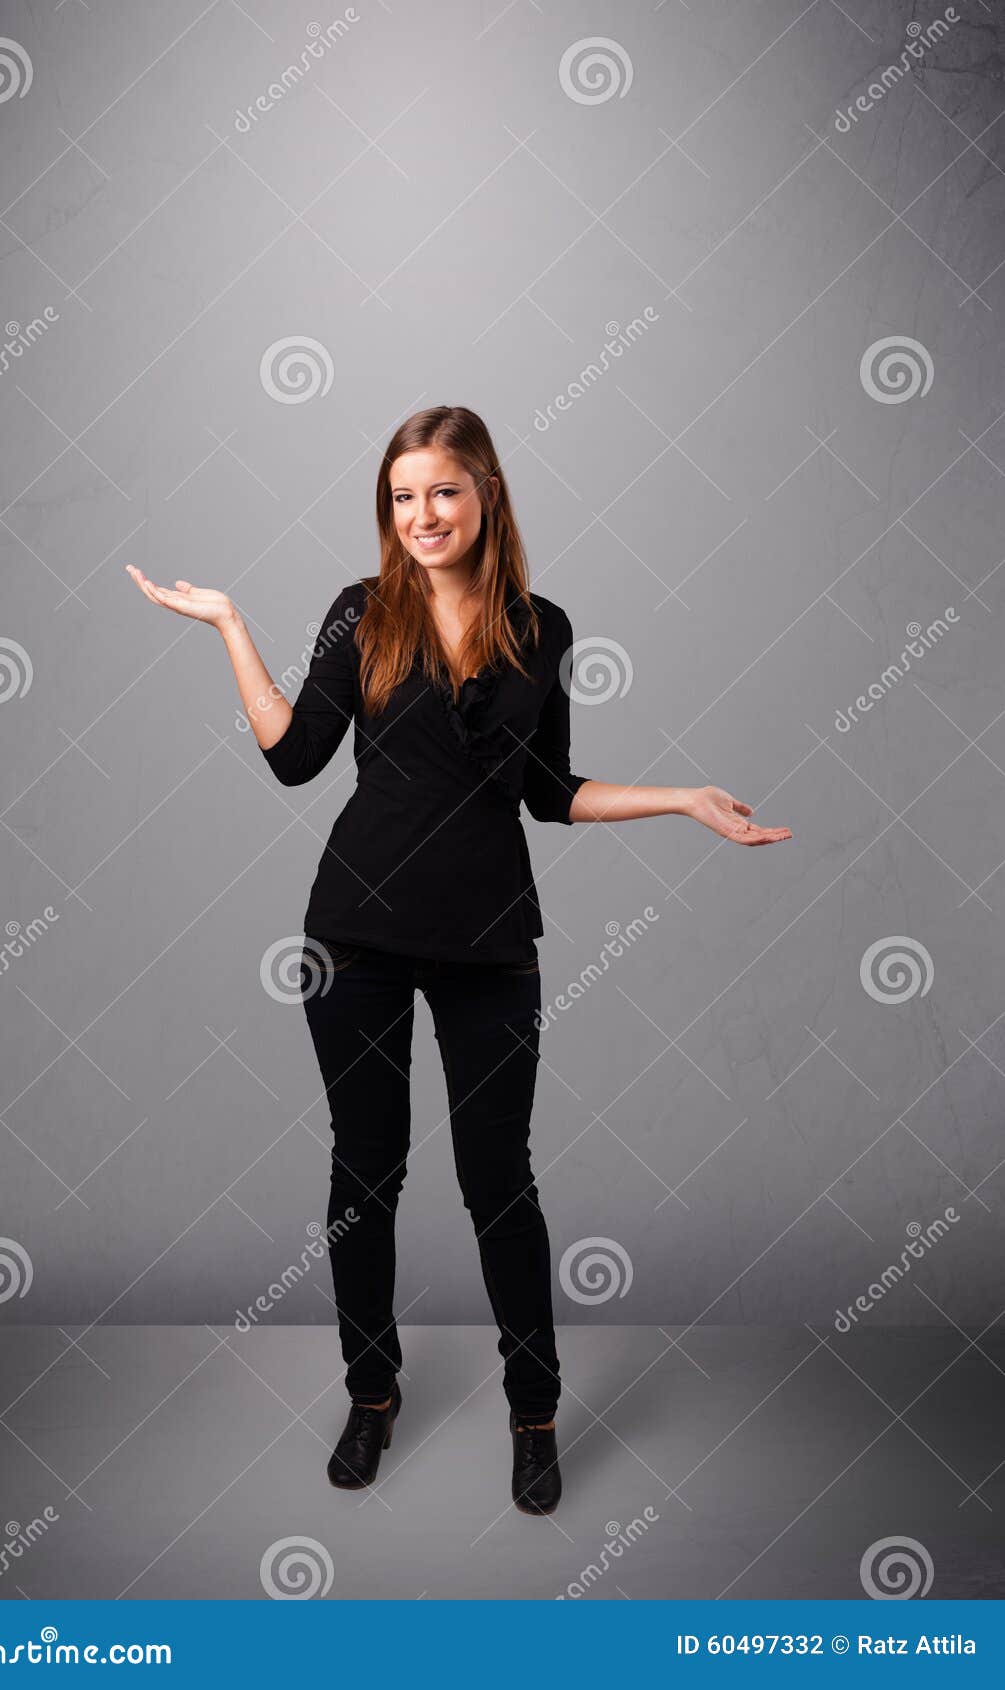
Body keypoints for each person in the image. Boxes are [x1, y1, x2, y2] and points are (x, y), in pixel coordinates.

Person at [126, 404, 791, 1516]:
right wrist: (232, 625)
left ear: (484, 494)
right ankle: (371, 1395)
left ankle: (535, 1417)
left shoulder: (542, 625)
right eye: (401, 496)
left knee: (499, 1184)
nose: (421, 514)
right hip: (354, 938)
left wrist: (682, 797)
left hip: (488, 940)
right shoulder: (361, 614)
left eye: (441, 490)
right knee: (364, 1173)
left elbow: (548, 790)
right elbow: (295, 760)